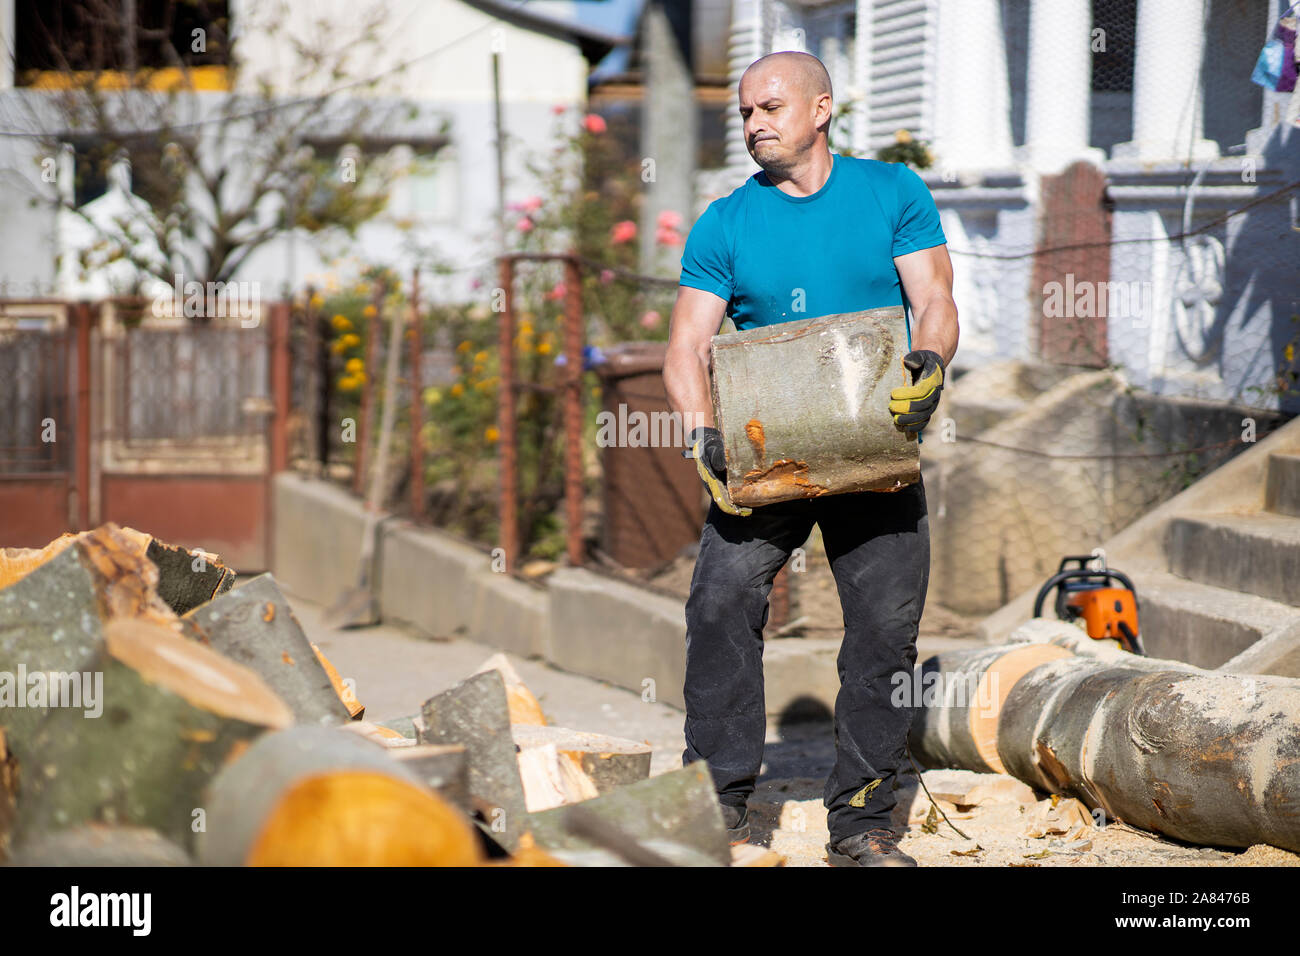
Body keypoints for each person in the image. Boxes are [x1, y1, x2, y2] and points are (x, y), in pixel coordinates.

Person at [662, 50, 959, 867]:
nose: (754, 124)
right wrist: (702, 434)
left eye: (770, 107)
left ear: (821, 108)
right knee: (719, 604)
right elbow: (686, 346)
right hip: (764, 455)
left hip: (874, 450)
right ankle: (717, 808)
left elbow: (932, 298)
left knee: (883, 637)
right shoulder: (726, 220)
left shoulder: (892, 191)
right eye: (746, 113)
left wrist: (928, 365)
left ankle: (861, 827)